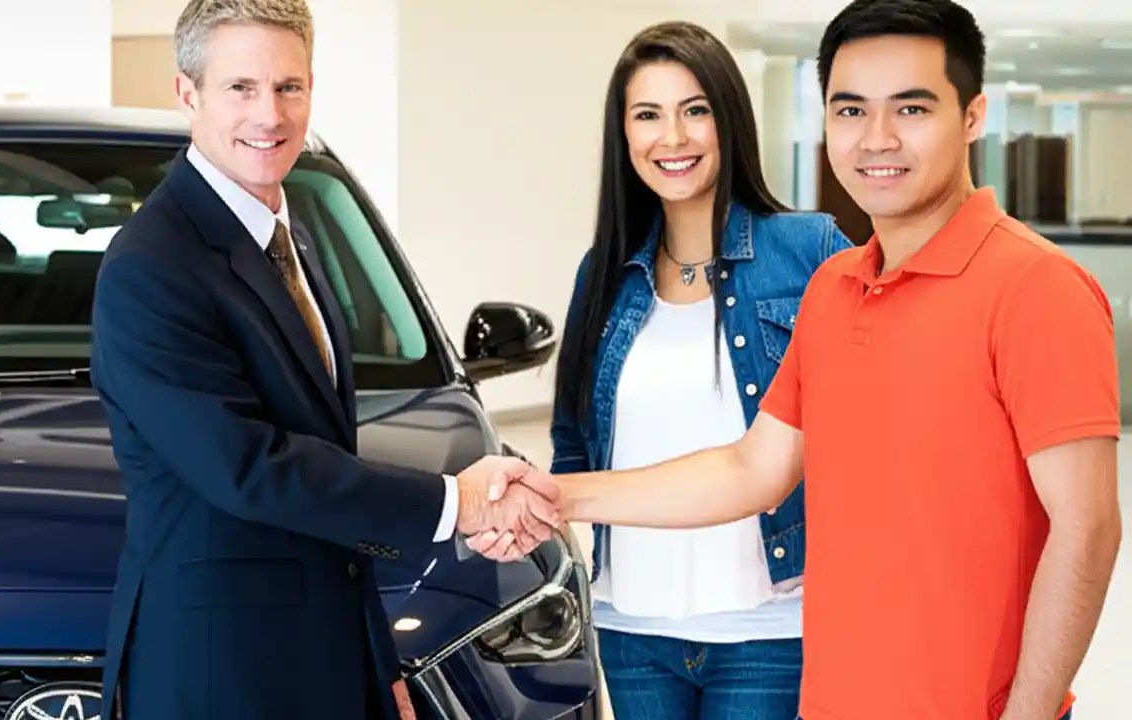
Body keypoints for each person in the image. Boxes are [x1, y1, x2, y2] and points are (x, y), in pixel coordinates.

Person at [476, 1, 1122, 718]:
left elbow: (1087, 528)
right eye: (849, 112)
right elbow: (751, 469)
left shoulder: (1038, 288)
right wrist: (557, 496)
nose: (876, 138)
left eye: (911, 108)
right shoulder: (834, 291)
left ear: (973, 116)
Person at [89, 1, 556, 719]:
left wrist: (373, 663)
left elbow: (323, 480)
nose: (269, 115)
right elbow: (251, 468)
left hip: (318, 656)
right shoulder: (153, 264)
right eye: (240, 88)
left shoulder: (289, 236)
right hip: (221, 671)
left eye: (289, 87)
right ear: (188, 92)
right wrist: (455, 502)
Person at [547, 20, 850, 720]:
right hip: (633, 627)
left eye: (695, 111)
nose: (672, 138)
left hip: (769, 628)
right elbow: (574, 441)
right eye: (647, 115)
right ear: (624, 136)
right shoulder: (602, 275)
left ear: (728, 120)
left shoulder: (811, 252)